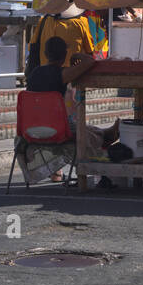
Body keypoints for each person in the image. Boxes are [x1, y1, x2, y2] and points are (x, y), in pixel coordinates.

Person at [26, 35, 99, 180]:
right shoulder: (62, 74)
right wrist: (77, 55)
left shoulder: (34, 73)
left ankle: (56, 172)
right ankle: (105, 140)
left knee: (86, 129)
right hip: (56, 129)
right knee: (87, 132)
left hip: (30, 127)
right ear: (64, 54)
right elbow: (90, 61)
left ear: (46, 54)